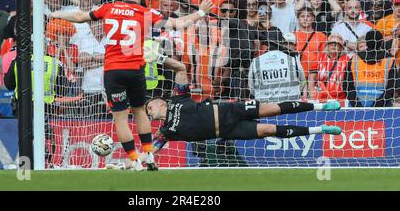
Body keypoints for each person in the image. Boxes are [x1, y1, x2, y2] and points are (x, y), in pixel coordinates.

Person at [49, 0, 214, 171]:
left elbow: (79, 17)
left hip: (113, 71)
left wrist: (56, 13)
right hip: (135, 70)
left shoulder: (108, 8)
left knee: (120, 117)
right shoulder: (146, 12)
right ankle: (149, 155)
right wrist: (202, 11)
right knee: (139, 112)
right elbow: (178, 24)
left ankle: (135, 159)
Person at [143, 56, 341, 158]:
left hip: (230, 110)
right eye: (148, 114)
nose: (150, 115)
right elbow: (152, 149)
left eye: (149, 109)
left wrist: (159, 58)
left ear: (159, 101)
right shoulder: (165, 131)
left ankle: (321, 107)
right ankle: (320, 129)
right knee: (268, 130)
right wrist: (136, 159)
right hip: (229, 130)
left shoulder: (178, 98)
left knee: (273, 109)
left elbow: (180, 68)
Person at [248, 28, 306, 103]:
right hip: (290, 107)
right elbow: (303, 81)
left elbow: (251, 88)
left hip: (266, 108)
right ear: (281, 41)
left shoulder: (256, 61)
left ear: (266, 42)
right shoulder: (293, 59)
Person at [343, 30, 399, 107]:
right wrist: (377, 106)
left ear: (366, 42)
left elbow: (346, 86)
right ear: (381, 42)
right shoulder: (389, 59)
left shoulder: (355, 58)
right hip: (382, 108)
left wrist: (358, 105)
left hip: (357, 107)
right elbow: (392, 87)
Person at [311, 34, 350, 103]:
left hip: (340, 98)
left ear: (341, 47)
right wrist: (311, 92)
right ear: (327, 46)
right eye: (331, 44)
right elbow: (312, 77)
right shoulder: (320, 57)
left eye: (337, 44)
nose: (333, 46)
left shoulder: (347, 60)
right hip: (320, 97)